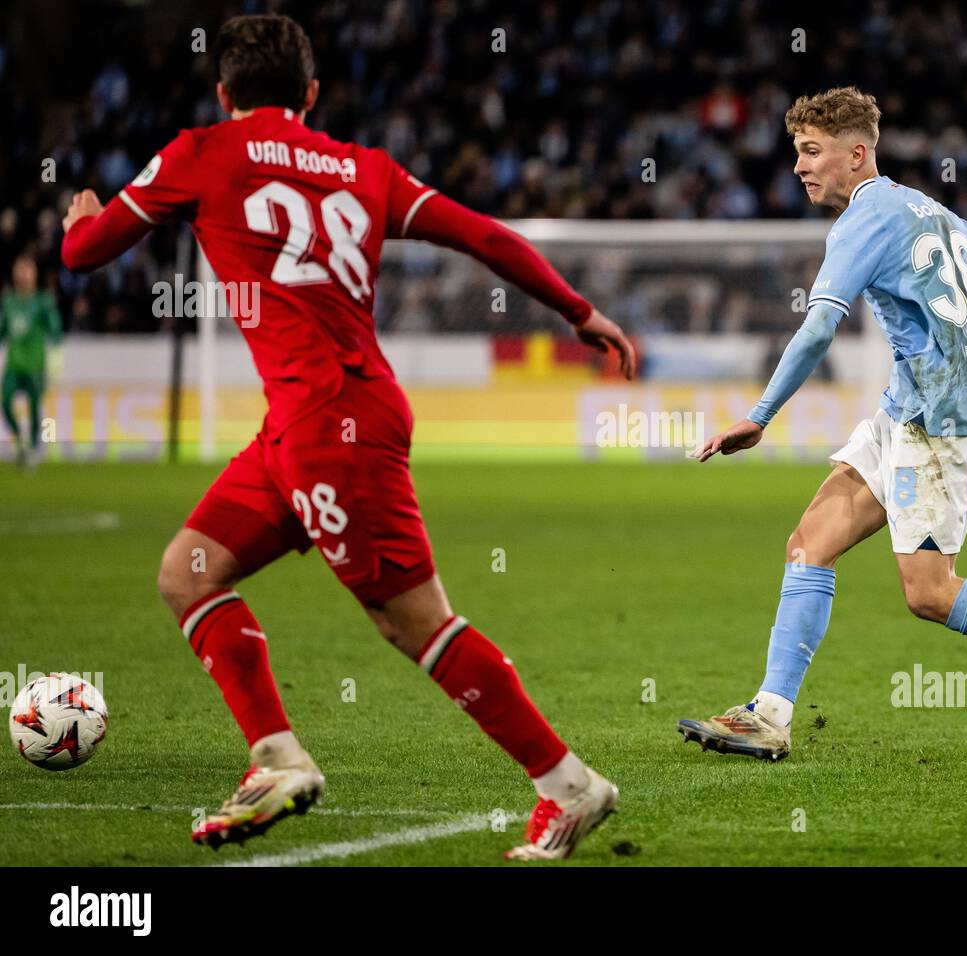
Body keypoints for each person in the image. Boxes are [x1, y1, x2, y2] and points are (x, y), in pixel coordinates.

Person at [62, 13, 637, 859]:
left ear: (224, 94)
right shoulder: (365, 170)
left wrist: (81, 215)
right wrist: (579, 312)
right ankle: (276, 757)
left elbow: (84, 254)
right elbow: (484, 234)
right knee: (189, 571)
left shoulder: (200, 152)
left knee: (414, 623)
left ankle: (567, 784)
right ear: (313, 95)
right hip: (309, 424)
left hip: (330, 427)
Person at [679, 87, 967, 766]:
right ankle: (770, 714)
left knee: (928, 593)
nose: (800, 167)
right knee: (809, 542)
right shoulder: (933, 210)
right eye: (796, 151)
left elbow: (819, 326)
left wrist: (759, 417)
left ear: (856, 154)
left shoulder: (863, 221)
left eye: (812, 151)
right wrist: (951, 354)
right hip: (905, 410)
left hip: (935, 424)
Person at [1, 254, 62, 467]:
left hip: (35, 365)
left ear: (34, 273)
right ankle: (21, 440)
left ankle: (34, 449)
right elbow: (2, 330)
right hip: (14, 365)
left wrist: (56, 356)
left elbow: (54, 329)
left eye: (28, 270)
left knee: (35, 408)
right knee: (5, 403)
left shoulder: (42, 301)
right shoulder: (9, 301)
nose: (24, 275)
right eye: (20, 270)